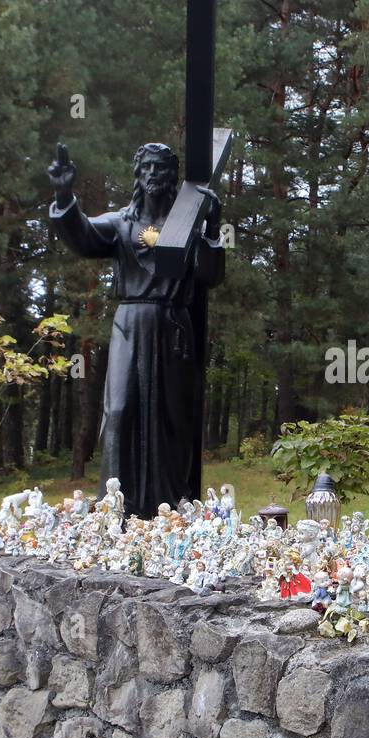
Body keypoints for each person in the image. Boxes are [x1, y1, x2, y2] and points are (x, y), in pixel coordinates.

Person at [47, 142, 224, 518]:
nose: (153, 176)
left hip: (173, 327)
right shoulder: (121, 223)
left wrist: (211, 227)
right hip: (130, 323)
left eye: (160, 169)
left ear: (172, 175)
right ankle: (118, 507)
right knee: (121, 408)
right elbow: (82, 237)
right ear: (137, 175)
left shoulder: (186, 226)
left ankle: (172, 506)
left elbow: (209, 275)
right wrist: (64, 194)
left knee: (174, 416)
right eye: (146, 168)